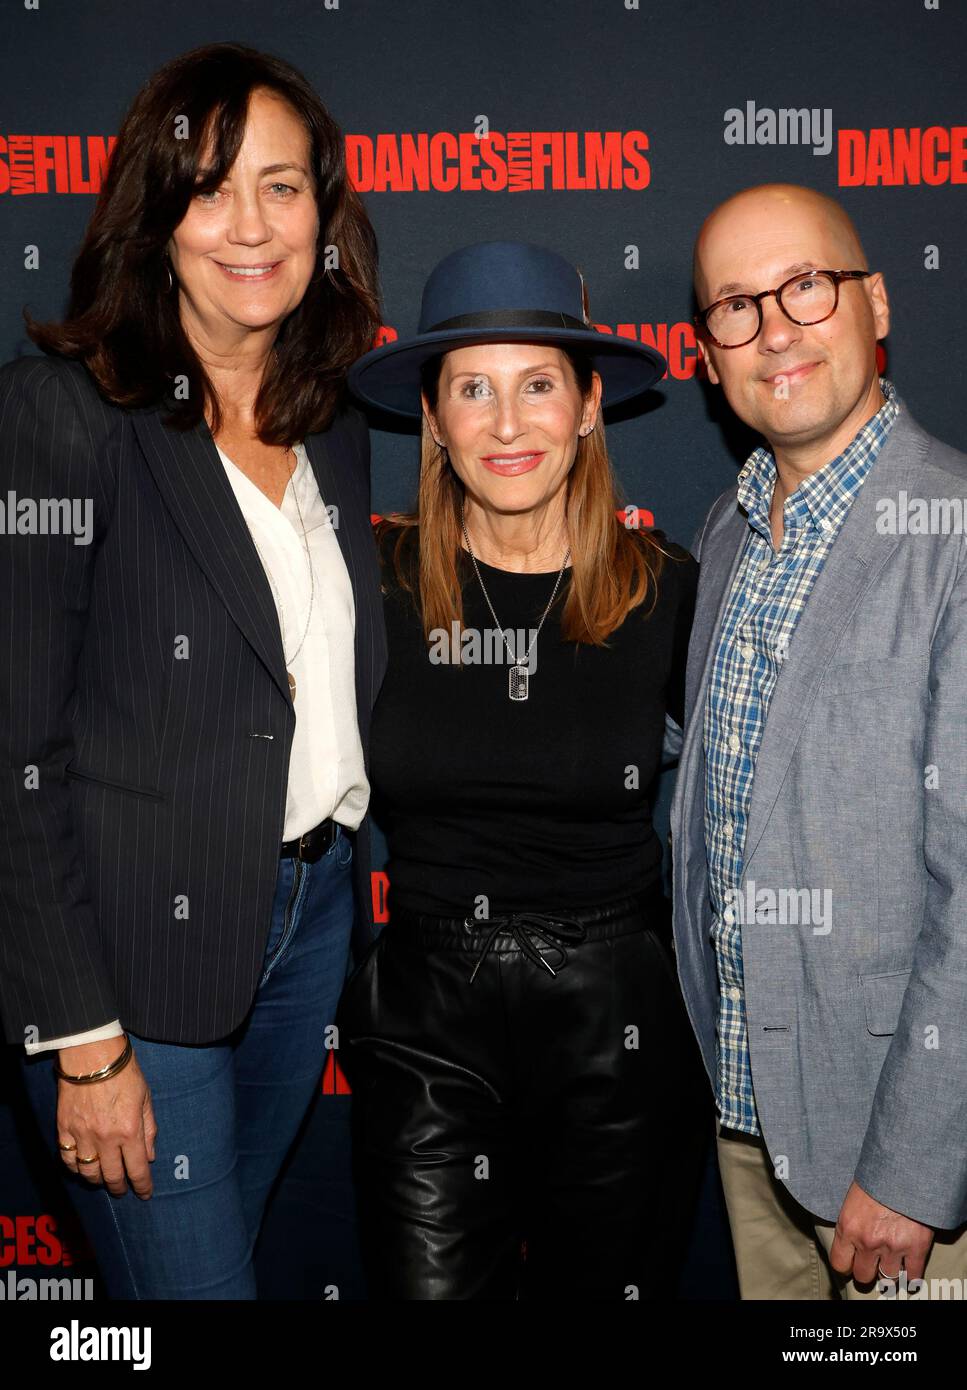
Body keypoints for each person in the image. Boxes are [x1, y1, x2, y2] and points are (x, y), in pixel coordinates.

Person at [0, 43, 387, 1299]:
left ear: (325, 213)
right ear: (152, 213)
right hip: (130, 976)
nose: (251, 225)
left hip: (305, 925)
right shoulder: (65, 413)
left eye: (283, 187)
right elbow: (16, 745)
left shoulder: (329, 417)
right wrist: (84, 1038)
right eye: (209, 187)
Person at [337, 239, 709, 1300]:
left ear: (590, 404)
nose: (507, 425)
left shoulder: (667, 590)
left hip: (619, 1026)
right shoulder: (371, 585)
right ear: (434, 415)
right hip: (425, 1028)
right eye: (474, 389)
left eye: (539, 384)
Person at [671, 182, 967, 1300]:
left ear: (875, 301)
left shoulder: (953, 532)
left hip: (896, 1174)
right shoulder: (728, 530)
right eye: (735, 306)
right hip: (753, 1129)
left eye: (805, 284)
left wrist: (913, 1169)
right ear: (705, 354)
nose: (775, 328)